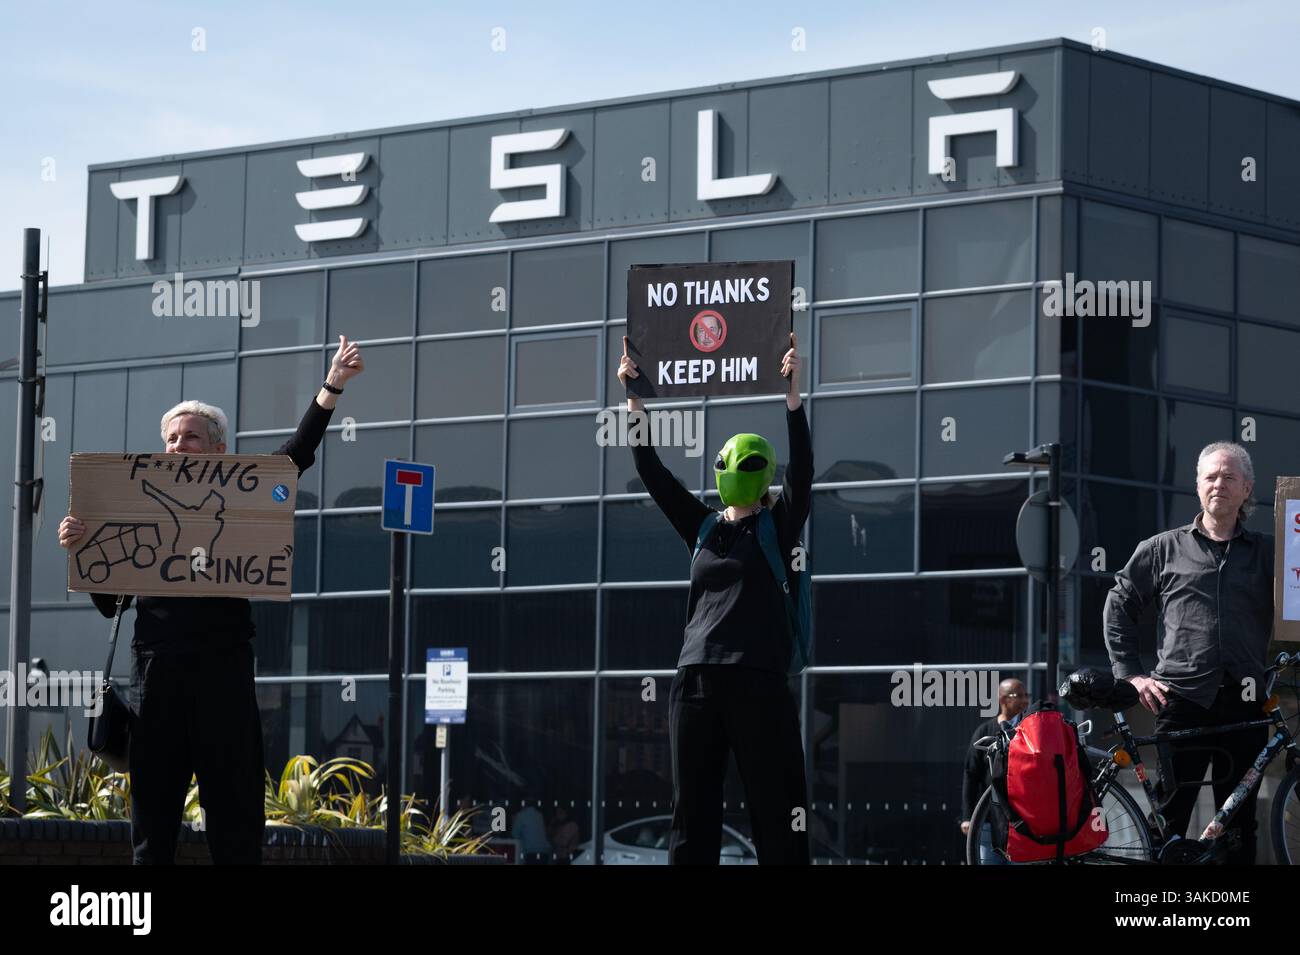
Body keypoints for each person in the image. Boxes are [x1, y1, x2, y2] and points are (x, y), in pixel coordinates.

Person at [59, 335, 365, 864]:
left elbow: (295, 457)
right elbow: (112, 605)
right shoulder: (139, 510)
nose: (179, 446)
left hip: (224, 679)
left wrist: (331, 386)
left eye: (192, 438)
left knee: (236, 825)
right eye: (172, 439)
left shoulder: (242, 493)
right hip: (157, 681)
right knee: (152, 831)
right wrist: (85, 552)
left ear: (219, 450)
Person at [617, 331, 811, 865]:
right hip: (697, 680)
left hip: (758, 681)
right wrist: (634, 397)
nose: (739, 471)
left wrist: (792, 393)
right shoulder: (701, 527)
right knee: (692, 816)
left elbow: (804, 473)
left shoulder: (777, 526)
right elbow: (650, 469)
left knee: (778, 810)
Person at [1103, 441, 1272, 865]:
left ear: (1247, 489)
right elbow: (1120, 603)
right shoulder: (1162, 549)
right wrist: (1131, 673)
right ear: (1197, 486)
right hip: (1180, 699)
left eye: (1230, 477)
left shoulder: (1270, 552)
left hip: (1247, 701)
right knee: (1171, 820)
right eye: (1211, 476)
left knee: (1239, 827)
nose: (1220, 484)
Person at [959, 677, 1028, 864]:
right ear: (1004, 700)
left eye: (1026, 695)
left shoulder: (1028, 731)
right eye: (1019, 695)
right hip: (989, 819)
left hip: (1021, 821)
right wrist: (967, 817)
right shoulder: (985, 732)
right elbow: (971, 774)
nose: (1025, 700)